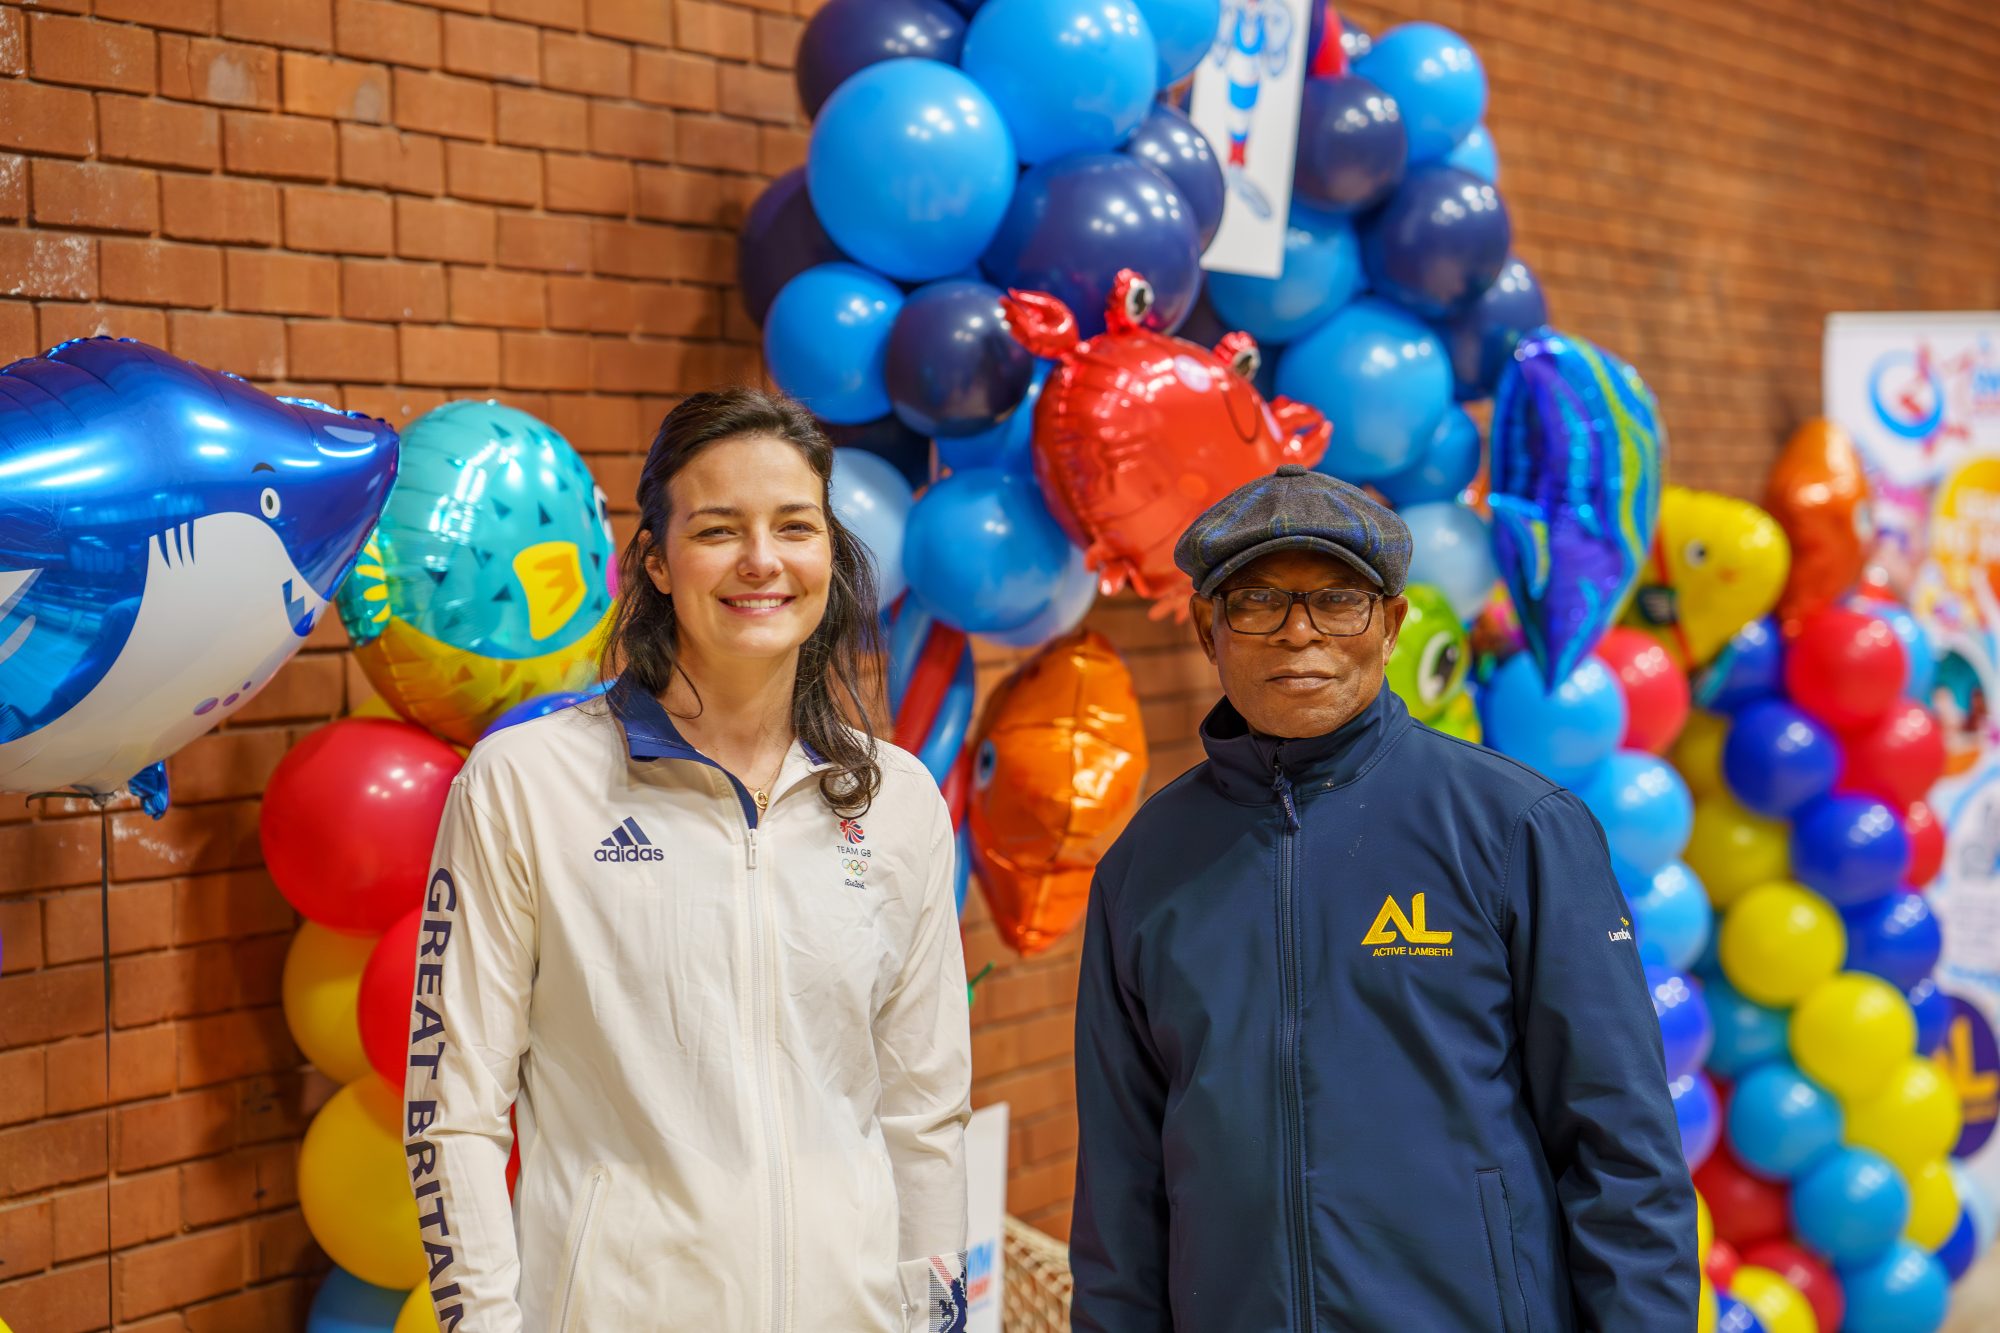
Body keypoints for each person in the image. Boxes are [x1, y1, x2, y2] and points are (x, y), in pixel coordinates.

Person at [1070, 464, 1697, 1331]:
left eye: (1337, 599)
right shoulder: (1146, 865)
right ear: (1208, 631)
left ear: (1392, 624)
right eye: (1256, 602)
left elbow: (1623, 1152)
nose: (1299, 634)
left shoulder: (1517, 827)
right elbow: (1119, 1183)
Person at [403, 389, 972, 1332]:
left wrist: (933, 1318)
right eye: (718, 529)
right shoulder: (527, 784)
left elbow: (924, 1109)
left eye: (795, 525)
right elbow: (452, 1114)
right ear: (657, 562)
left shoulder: (896, 799)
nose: (762, 560)